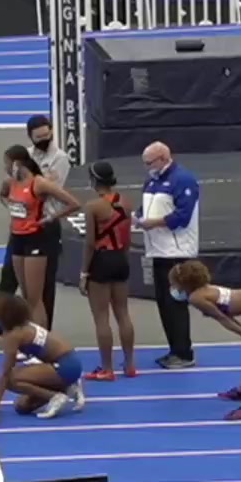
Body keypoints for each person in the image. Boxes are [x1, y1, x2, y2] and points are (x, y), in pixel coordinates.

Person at [169, 260, 241, 422]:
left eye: (173, 284)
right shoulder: (202, 292)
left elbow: (222, 318)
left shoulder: (196, 297)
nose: (172, 288)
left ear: (183, 284)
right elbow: (226, 316)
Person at [0, 116, 74, 325]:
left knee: (41, 290)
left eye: (47, 135)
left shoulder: (60, 159)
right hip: (21, 229)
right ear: (30, 136)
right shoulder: (24, 156)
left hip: (43, 226)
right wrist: (14, 207)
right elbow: (7, 189)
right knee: (11, 279)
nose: (43, 140)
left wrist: (49, 217)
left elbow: (52, 188)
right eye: (38, 137)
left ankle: (43, 336)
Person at [136, 141, 202, 370]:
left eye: (150, 163)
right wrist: (137, 218)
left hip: (177, 251)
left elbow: (182, 216)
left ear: (164, 157)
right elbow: (145, 209)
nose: (147, 167)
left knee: (175, 303)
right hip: (157, 250)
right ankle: (174, 349)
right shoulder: (152, 181)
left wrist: (152, 223)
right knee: (164, 303)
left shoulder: (183, 179)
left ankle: (184, 352)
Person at [0, 293, 86, 426]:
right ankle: (66, 387)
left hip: (64, 365)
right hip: (68, 362)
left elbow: (6, 372)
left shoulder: (13, 336)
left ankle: (55, 396)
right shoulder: (25, 327)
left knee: (12, 379)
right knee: (22, 406)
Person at [79, 160, 138, 381]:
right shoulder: (126, 202)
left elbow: (90, 243)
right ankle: (130, 364)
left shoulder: (92, 207)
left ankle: (107, 368)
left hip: (101, 260)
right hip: (120, 260)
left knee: (101, 317)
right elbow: (127, 238)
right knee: (123, 313)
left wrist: (84, 273)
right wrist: (124, 259)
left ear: (94, 180)